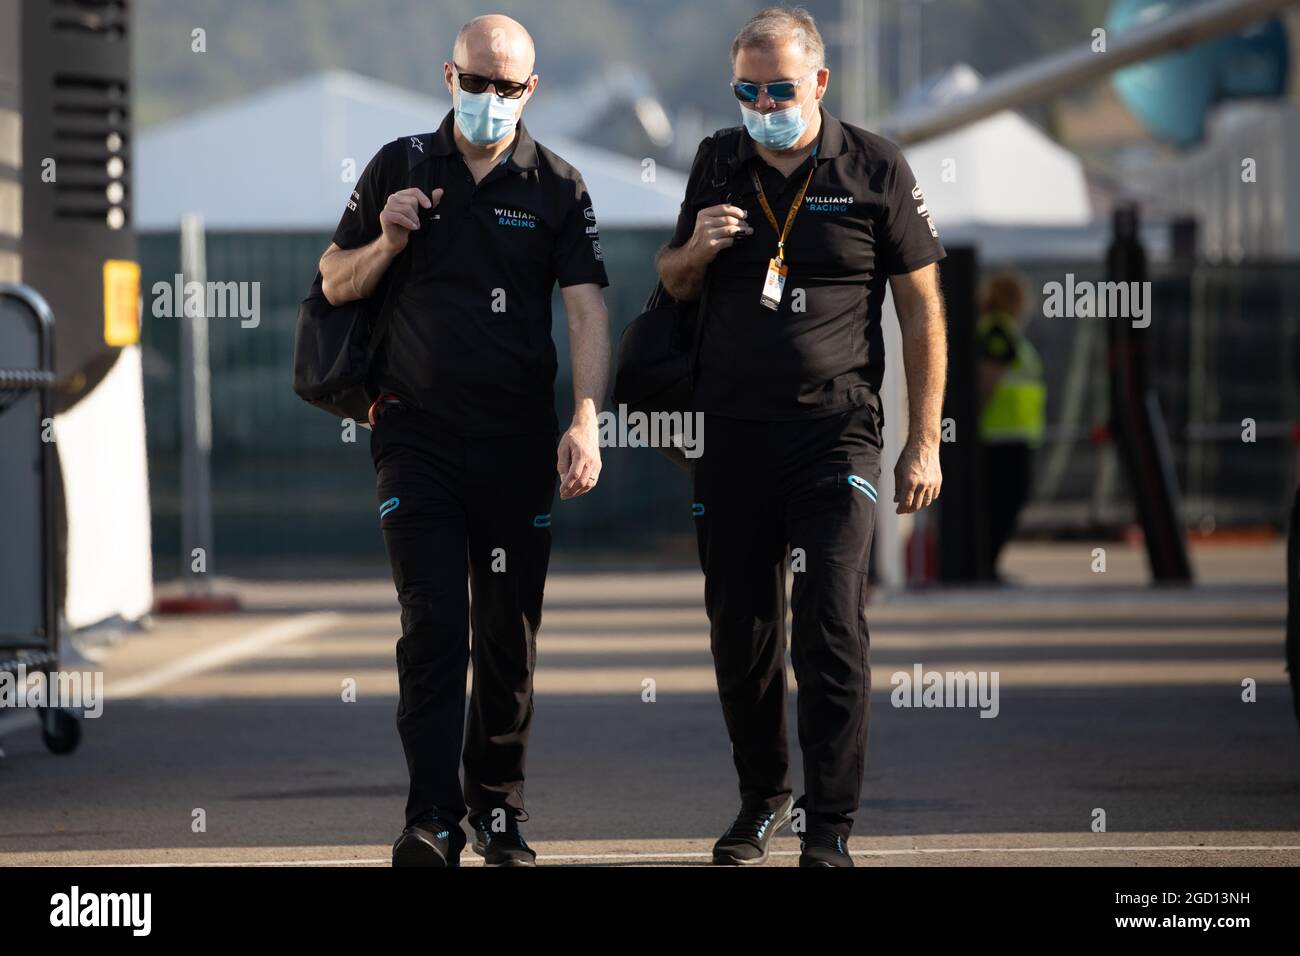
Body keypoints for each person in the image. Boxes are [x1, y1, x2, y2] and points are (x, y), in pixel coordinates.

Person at [655, 5, 948, 867]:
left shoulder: (874, 165)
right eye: (746, 90)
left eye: (779, 89)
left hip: (838, 435)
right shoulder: (716, 160)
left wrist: (924, 440)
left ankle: (831, 826)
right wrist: (697, 251)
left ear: (820, 82)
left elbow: (922, 308)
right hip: (733, 436)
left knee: (829, 624)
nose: (762, 104)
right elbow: (669, 280)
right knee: (739, 631)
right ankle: (762, 800)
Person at [318, 14, 611, 867]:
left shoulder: (559, 184)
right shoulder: (399, 164)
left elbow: (586, 307)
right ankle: (433, 817)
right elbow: (333, 280)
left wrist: (586, 418)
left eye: (506, 86)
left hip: (517, 446)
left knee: (508, 636)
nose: (488, 97)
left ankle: (500, 809)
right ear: (448, 76)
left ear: (531, 91)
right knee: (434, 626)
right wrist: (386, 238)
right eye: (474, 81)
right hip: (415, 438)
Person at [975, 270, 1045, 578]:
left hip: (1009, 435)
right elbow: (987, 381)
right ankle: (985, 566)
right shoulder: (998, 332)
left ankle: (987, 565)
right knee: (1003, 503)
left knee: (1002, 503)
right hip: (1000, 437)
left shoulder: (999, 330)